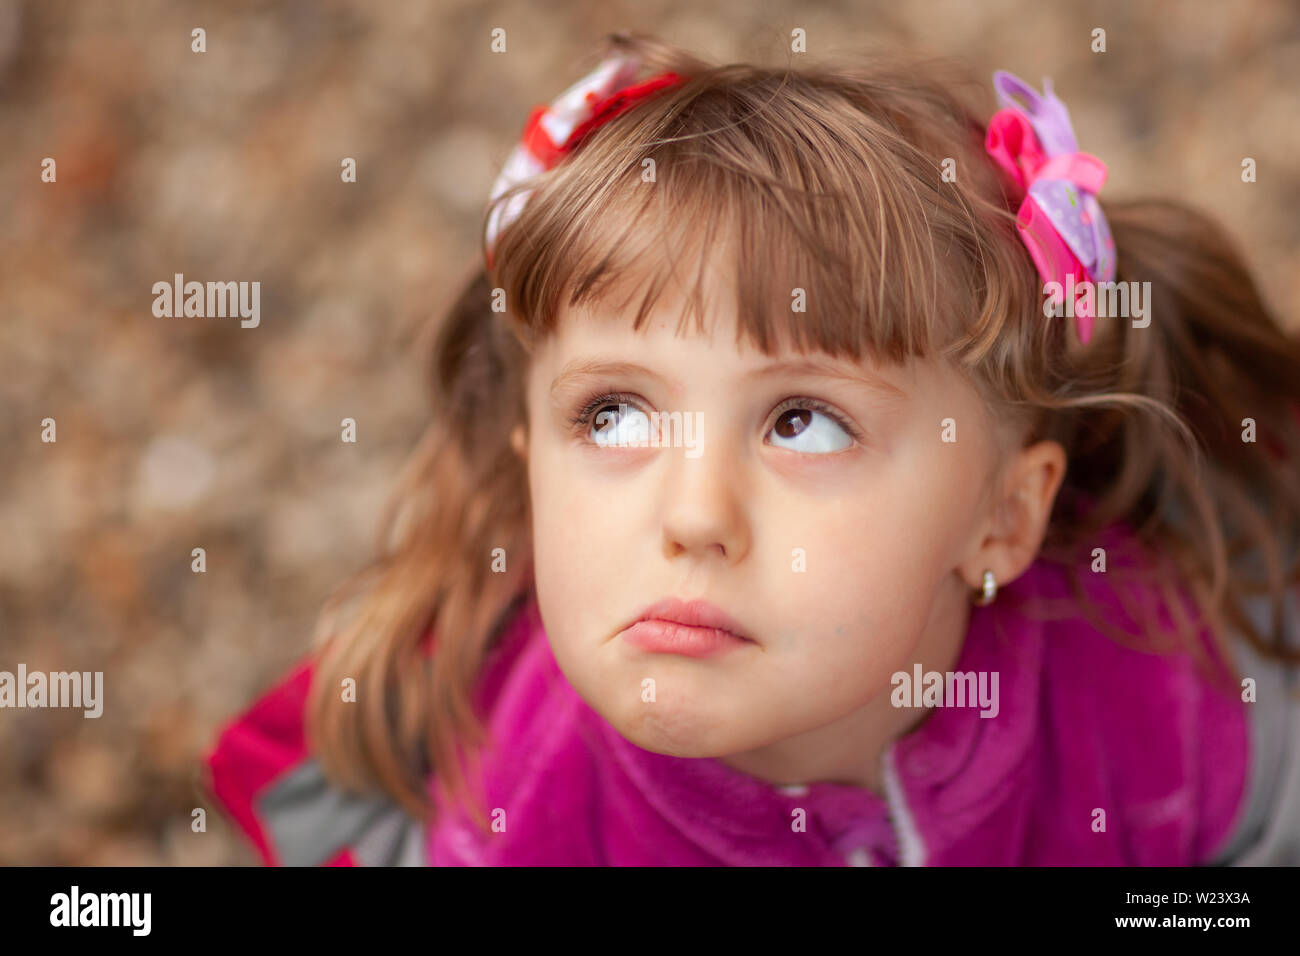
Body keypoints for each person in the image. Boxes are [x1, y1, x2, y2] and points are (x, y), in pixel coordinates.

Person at [204, 31, 1300, 866]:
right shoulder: (515, 809)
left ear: (1003, 518)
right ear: (529, 446)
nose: (692, 515)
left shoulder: (1159, 694)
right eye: (615, 415)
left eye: (802, 422)